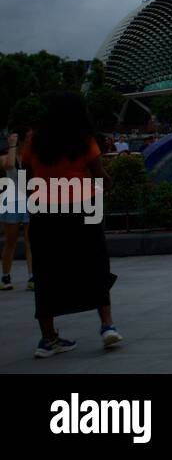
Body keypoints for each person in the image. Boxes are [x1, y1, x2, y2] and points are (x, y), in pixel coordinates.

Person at [23, 92, 122, 358]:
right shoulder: (84, 140)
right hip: (82, 207)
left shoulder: (34, 141)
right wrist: (108, 187)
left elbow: (27, 176)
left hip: (45, 212)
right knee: (95, 262)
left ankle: (48, 338)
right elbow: (100, 175)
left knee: (47, 271)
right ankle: (107, 325)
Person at [3, 122, 35, 291]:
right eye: (29, 136)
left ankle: (32, 277)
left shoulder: (32, 155)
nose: (32, 139)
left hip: (30, 199)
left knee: (32, 241)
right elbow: (8, 165)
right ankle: (5, 276)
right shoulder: (8, 156)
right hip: (12, 200)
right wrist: (12, 145)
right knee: (11, 241)